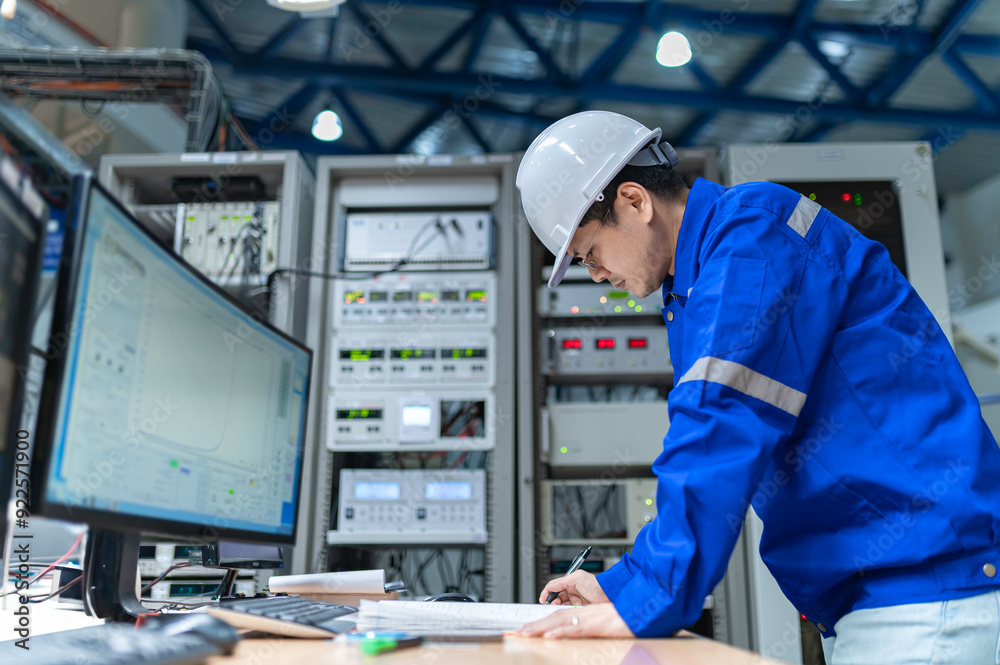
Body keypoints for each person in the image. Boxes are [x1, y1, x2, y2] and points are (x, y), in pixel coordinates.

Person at [514, 111, 1000, 663]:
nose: (595, 276)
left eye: (589, 253)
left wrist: (643, 596)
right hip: (883, 597)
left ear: (634, 201)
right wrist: (620, 587)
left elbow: (719, 425)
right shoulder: (696, 284)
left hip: (925, 592)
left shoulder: (752, 234)